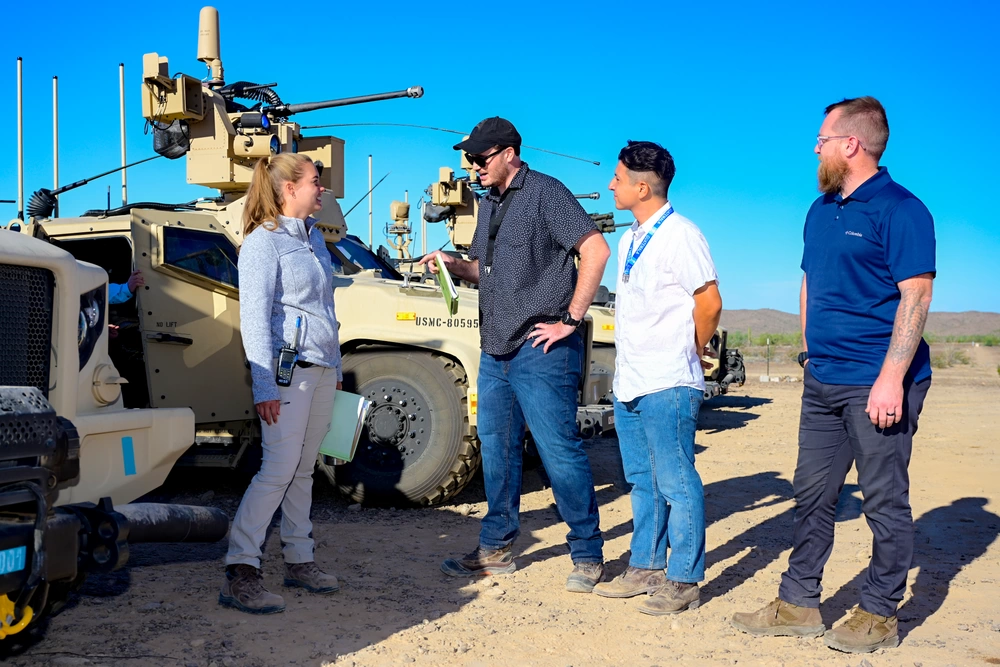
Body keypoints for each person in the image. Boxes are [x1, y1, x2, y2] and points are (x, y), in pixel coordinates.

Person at [731, 96, 935, 654]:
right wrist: (806, 354)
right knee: (813, 494)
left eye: (822, 139)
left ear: (852, 144)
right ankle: (798, 604)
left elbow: (915, 296)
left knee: (883, 500)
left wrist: (892, 377)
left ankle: (878, 613)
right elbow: (809, 284)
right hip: (822, 379)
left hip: (877, 381)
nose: (815, 148)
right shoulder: (820, 208)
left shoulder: (901, 209)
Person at [420, 117, 611, 592]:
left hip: (540, 349)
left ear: (508, 153)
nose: (473, 166)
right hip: (495, 350)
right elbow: (489, 273)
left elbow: (596, 249)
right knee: (498, 451)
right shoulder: (488, 204)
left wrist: (570, 318)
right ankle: (497, 547)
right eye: (470, 158)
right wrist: (453, 265)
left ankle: (587, 553)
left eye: (480, 157)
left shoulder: (547, 192)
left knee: (558, 452)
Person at [591, 141, 721, 614]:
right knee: (642, 480)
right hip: (632, 380)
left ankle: (685, 578)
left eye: (619, 178)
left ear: (642, 187)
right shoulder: (630, 238)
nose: (611, 185)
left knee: (676, 480)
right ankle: (645, 565)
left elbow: (709, 302)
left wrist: (693, 348)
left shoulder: (682, 235)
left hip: (668, 379)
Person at [220, 153, 344, 615]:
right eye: (316, 181)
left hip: (323, 369)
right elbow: (253, 320)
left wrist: (334, 361)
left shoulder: (314, 238)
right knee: (277, 469)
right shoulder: (262, 244)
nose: (322, 189)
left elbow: (322, 311)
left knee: (303, 470)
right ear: (289, 188)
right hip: (286, 375)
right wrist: (264, 387)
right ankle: (241, 570)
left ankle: (299, 558)